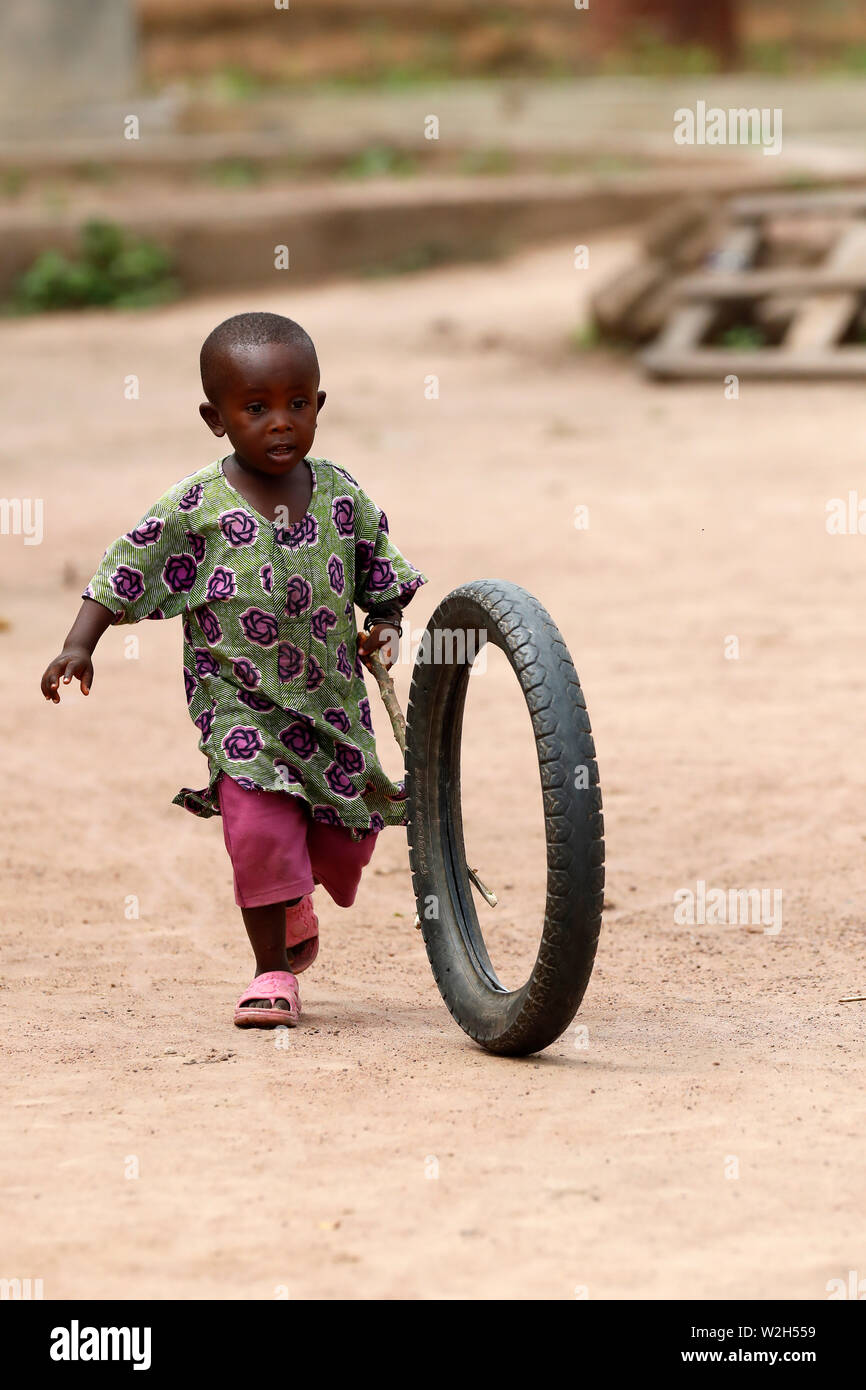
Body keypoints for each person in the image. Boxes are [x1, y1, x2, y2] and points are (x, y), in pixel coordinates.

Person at [40, 311, 428, 1029]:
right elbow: (128, 567)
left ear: (319, 404)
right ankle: (271, 971)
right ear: (216, 419)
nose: (281, 423)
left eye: (297, 404)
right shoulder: (198, 507)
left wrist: (388, 626)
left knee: (346, 847)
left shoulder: (343, 497)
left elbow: (383, 577)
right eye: (256, 409)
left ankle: (299, 898)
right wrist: (80, 643)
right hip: (240, 715)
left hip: (331, 711)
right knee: (256, 835)